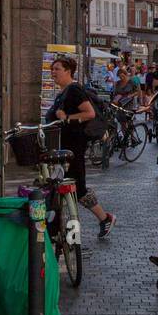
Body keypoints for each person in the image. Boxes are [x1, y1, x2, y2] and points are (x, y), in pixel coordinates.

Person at [45, 57, 116, 237]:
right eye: (52, 69)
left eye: (57, 69)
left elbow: (89, 113)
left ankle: (100, 220)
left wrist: (67, 118)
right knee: (66, 187)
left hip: (73, 147)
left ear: (68, 70)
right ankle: (60, 230)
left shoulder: (74, 90)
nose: (53, 72)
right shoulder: (64, 92)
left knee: (77, 187)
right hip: (64, 146)